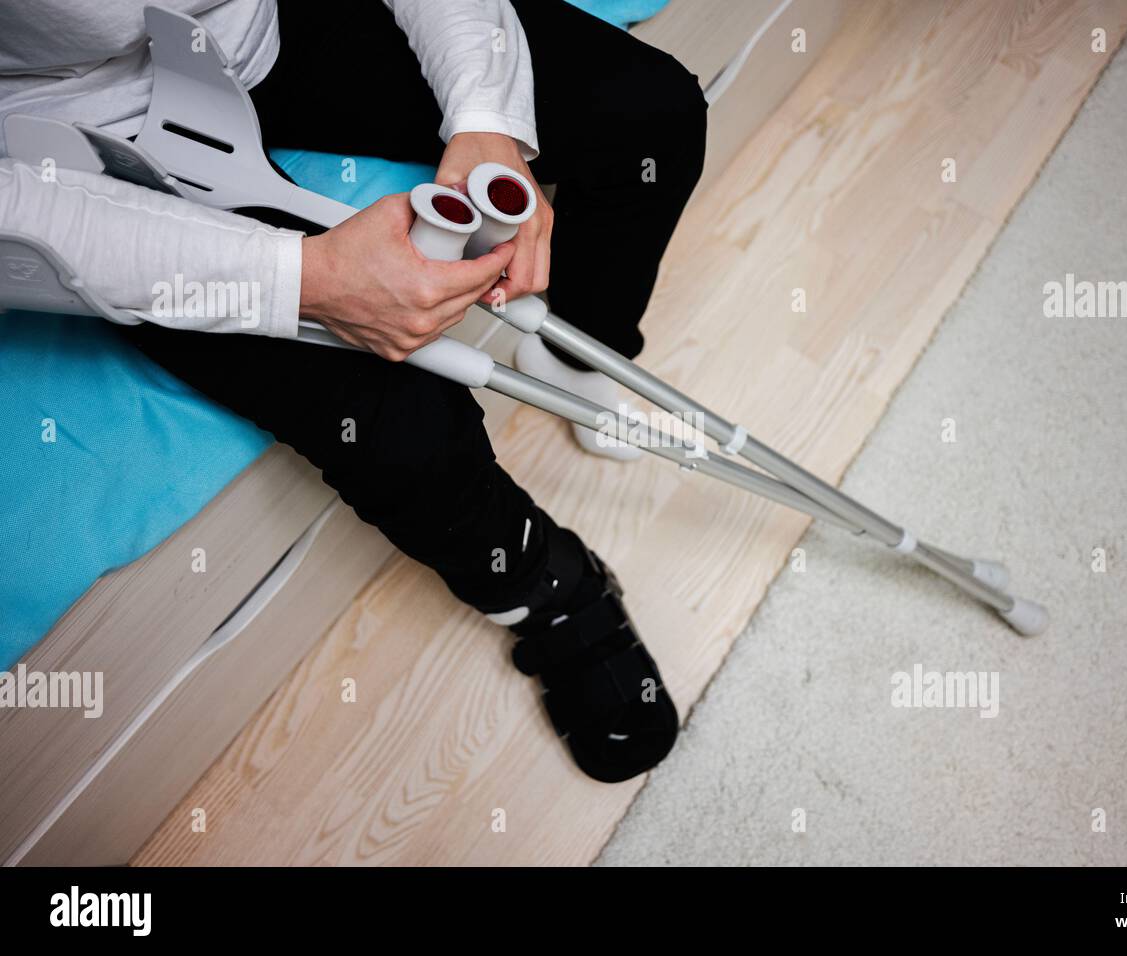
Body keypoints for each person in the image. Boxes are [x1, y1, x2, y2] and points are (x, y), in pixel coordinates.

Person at [0, 0, 708, 783]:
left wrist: (485, 117)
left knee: (655, 113)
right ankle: (548, 589)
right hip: (64, 140)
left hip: (260, 21)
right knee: (395, 427)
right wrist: (308, 281)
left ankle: (576, 359)